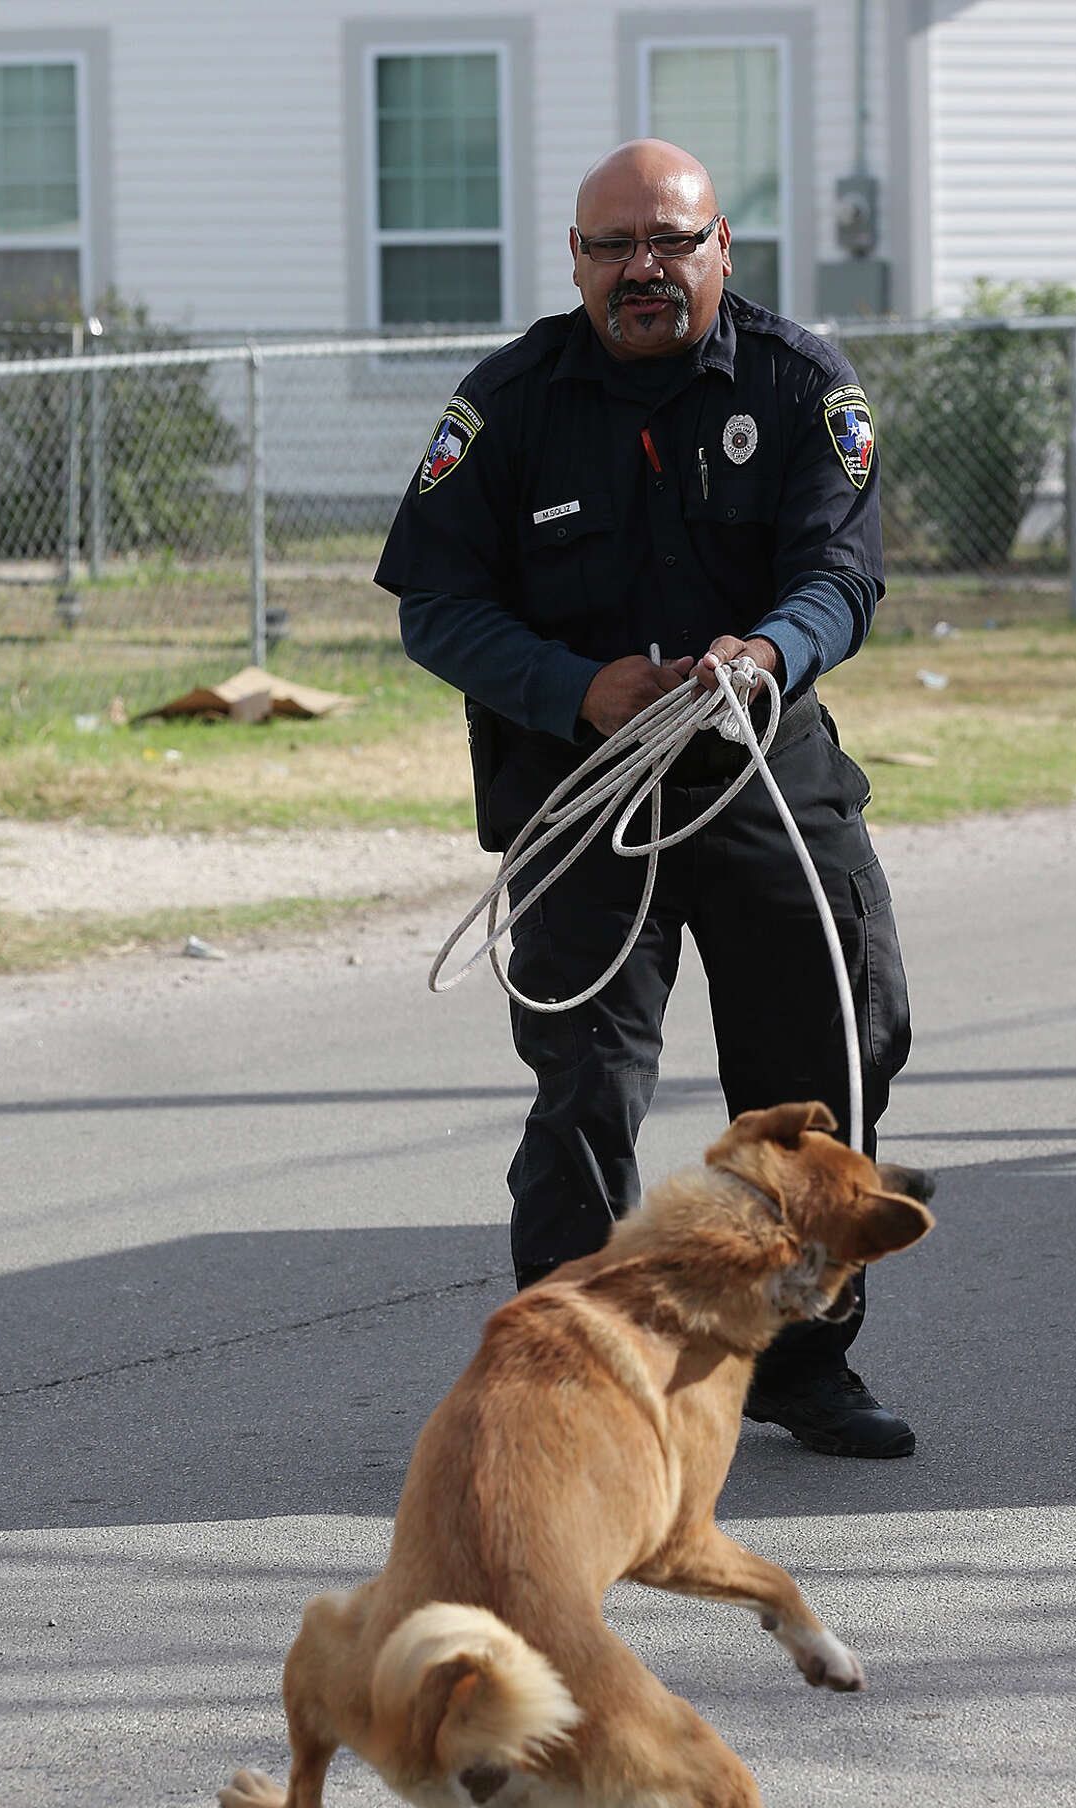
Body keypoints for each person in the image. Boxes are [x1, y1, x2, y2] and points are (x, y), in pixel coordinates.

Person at [374, 140, 915, 1458]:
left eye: (670, 241)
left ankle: (794, 1360)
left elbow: (840, 576)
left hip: (760, 778)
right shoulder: (507, 407)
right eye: (613, 248)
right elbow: (436, 605)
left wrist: (768, 650)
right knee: (586, 1095)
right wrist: (576, 687)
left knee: (835, 1065)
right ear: (575, 263)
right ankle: (569, 1376)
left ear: (724, 247)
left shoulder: (801, 386)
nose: (643, 270)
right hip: (583, 791)